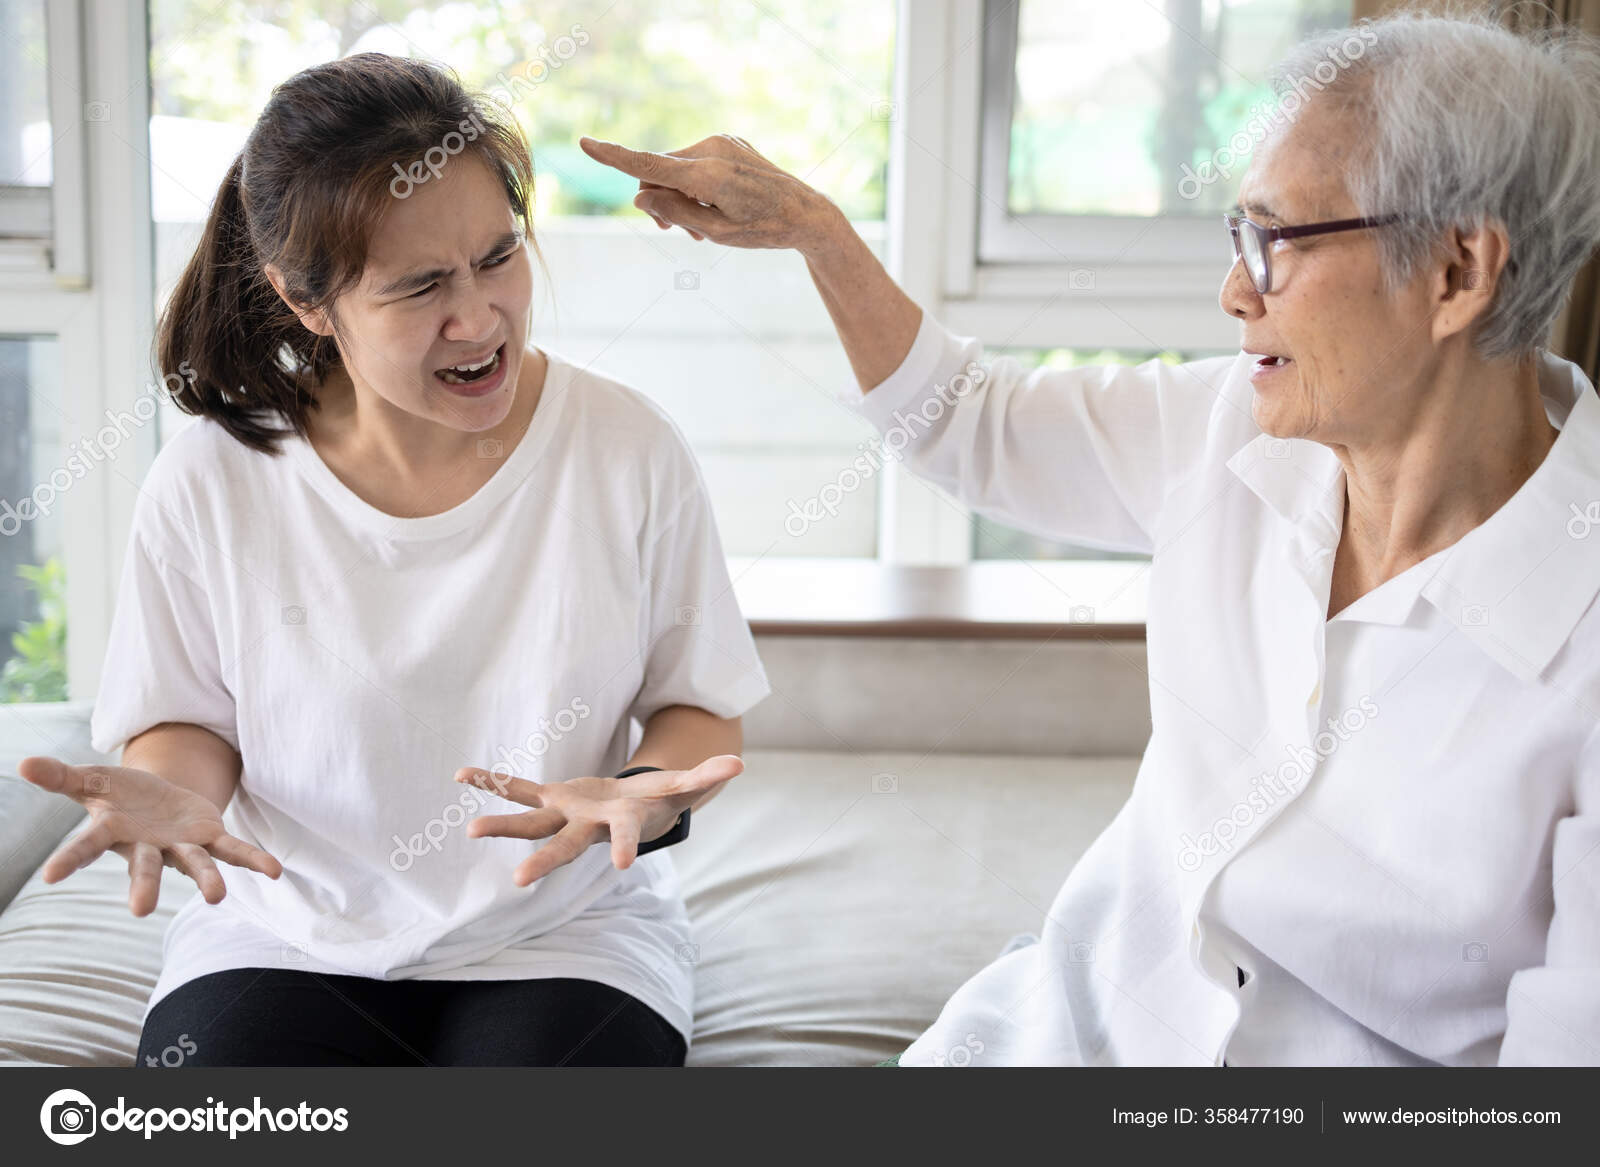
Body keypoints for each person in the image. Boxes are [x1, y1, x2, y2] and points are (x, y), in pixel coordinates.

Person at [580, 7, 1600, 1065]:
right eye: (1236, 236)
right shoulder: (1226, 429)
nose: (1234, 292)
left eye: (1276, 240)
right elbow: (968, 424)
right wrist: (817, 232)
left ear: (1457, 272)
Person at [18, 52, 770, 1067]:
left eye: (498, 257)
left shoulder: (625, 448)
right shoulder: (213, 478)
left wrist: (645, 789)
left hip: (564, 934)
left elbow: (697, 705)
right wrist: (174, 793)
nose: (479, 318)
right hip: (283, 930)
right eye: (421, 287)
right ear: (304, 300)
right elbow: (185, 719)